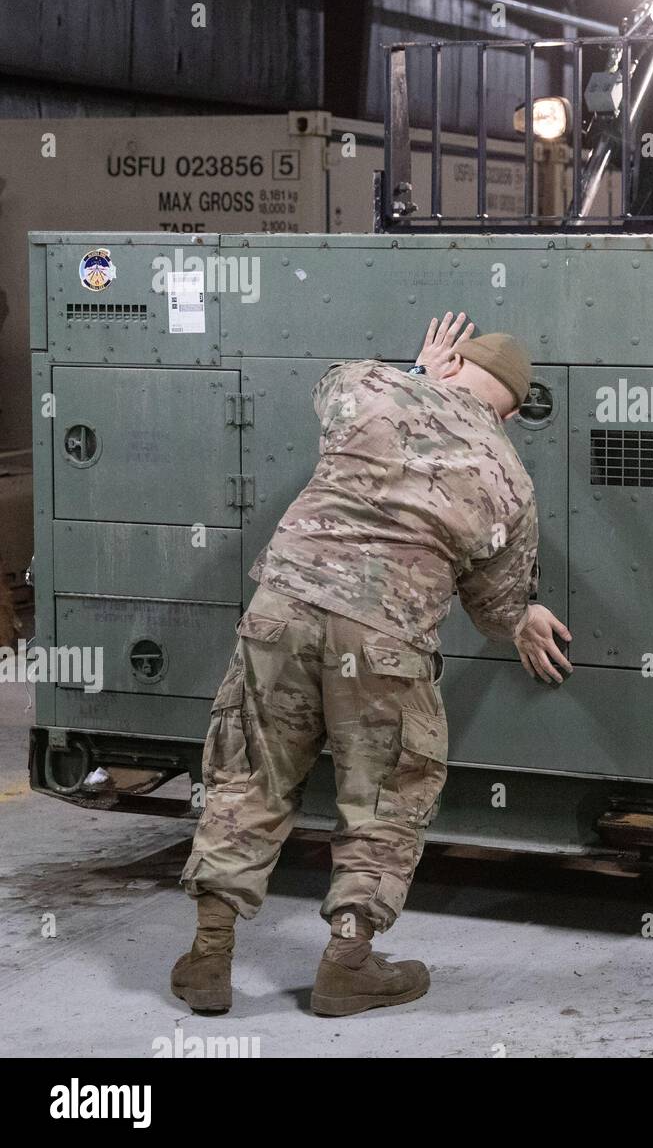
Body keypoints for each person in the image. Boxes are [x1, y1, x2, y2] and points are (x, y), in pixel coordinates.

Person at [171, 313, 571, 1017]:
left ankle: (208, 957)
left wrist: (417, 370)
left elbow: (328, 386)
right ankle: (347, 964)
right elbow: (494, 600)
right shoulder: (509, 476)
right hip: (384, 641)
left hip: (283, 610)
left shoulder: (374, 388)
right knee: (384, 794)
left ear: (454, 365)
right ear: (509, 412)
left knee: (250, 772)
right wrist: (522, 618)